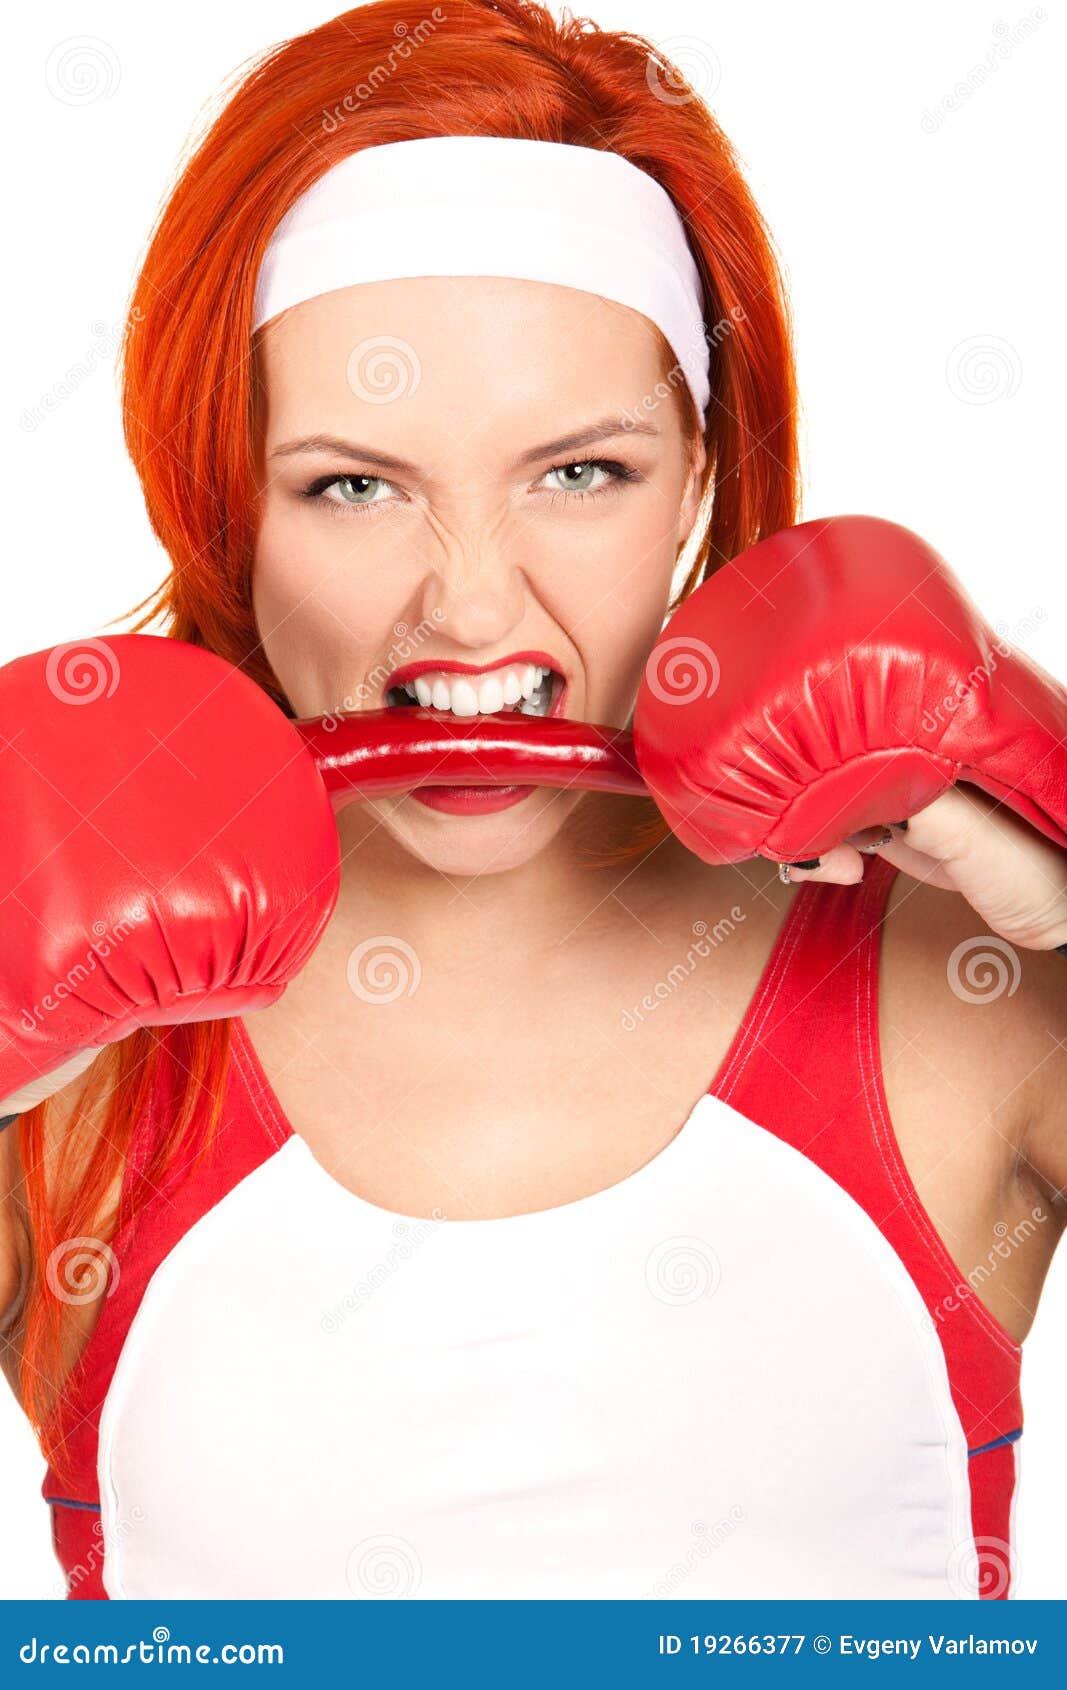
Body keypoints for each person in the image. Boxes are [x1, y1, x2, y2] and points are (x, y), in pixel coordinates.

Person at [1, 0, 1064, 1601]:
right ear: (230, 497)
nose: (474, 612)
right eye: (351, 484)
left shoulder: (963, 981)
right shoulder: (77, 1065)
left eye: (582, 472)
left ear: (702, 466)